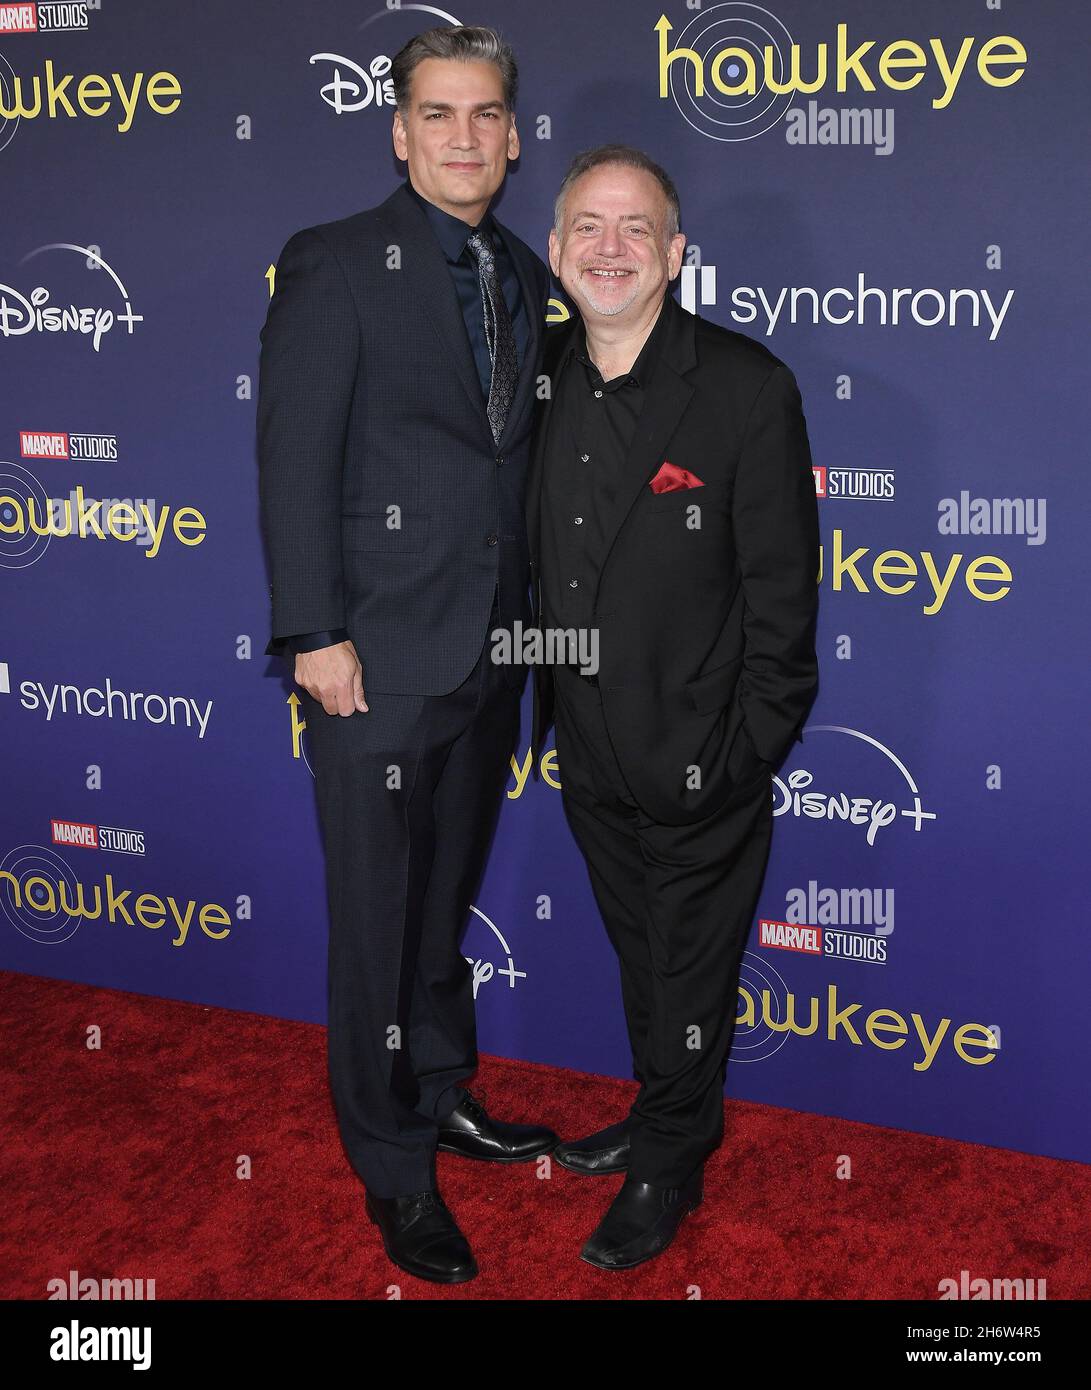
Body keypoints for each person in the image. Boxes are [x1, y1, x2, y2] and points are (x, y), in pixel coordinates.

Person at [257, 25, 557, 1286]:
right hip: (370, 661)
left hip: (487, 658)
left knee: (439, 909)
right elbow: (291, 458)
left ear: (513, 134)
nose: (463, 137)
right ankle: (391, 1167)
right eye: (437, 114)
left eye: (485, 114)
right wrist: (315, 632)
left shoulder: (525, 271)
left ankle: (441, 1093)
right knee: (375, 925)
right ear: (398, 129)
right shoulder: (332, 263)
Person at [527, 145, 820, 1270]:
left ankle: (668, 1164)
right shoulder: (538, 379)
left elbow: (781, 598)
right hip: (587, 754)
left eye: (635, 228)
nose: (609, 248)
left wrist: (745, 746)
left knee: (690, 964)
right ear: (554, 252)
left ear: (674, 254)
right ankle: (667, 1115)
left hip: (705, 753)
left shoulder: (745, 387)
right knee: (643, 956)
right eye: (586, 228)